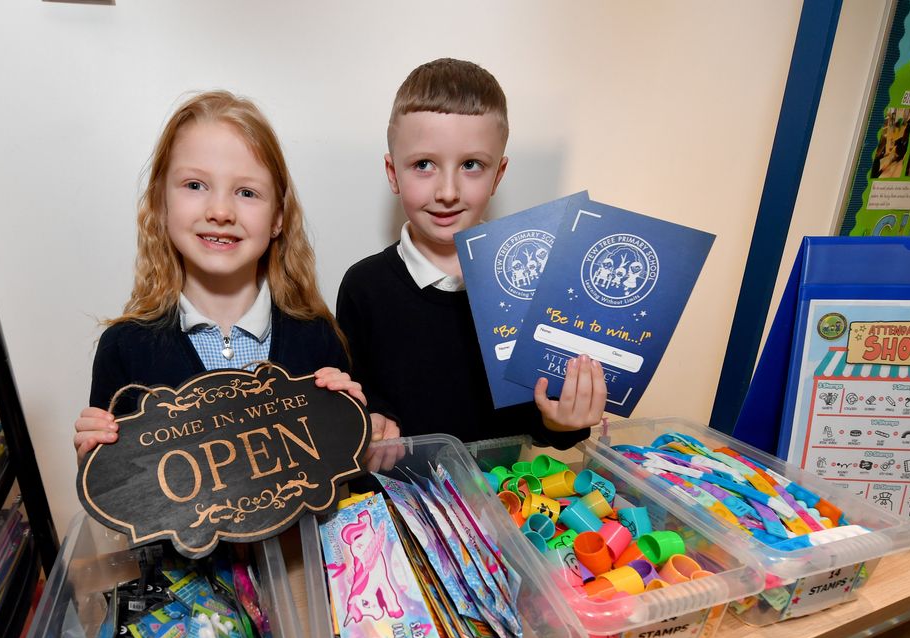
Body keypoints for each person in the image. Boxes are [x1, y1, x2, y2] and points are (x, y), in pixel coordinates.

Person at [74, 91, 362, 461]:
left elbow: (345, 474)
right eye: (195, 185)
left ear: (277, 217)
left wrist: (352, 426)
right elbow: (120, 483)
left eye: (247, 192)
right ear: (161, 202)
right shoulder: (123, 348)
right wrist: (95, 462)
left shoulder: (317, 339)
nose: (221, 211)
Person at [336, 58, 607, 451]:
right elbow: (358, 392)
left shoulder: (533, 286)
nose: (448, 192)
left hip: (504, 486)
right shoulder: (364, 287)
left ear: (498, 175)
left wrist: (563, 420)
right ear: (393, 173)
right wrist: (373, 418)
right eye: (423, 164)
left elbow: (540, 416)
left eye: (471, 165)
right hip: (399, 487)